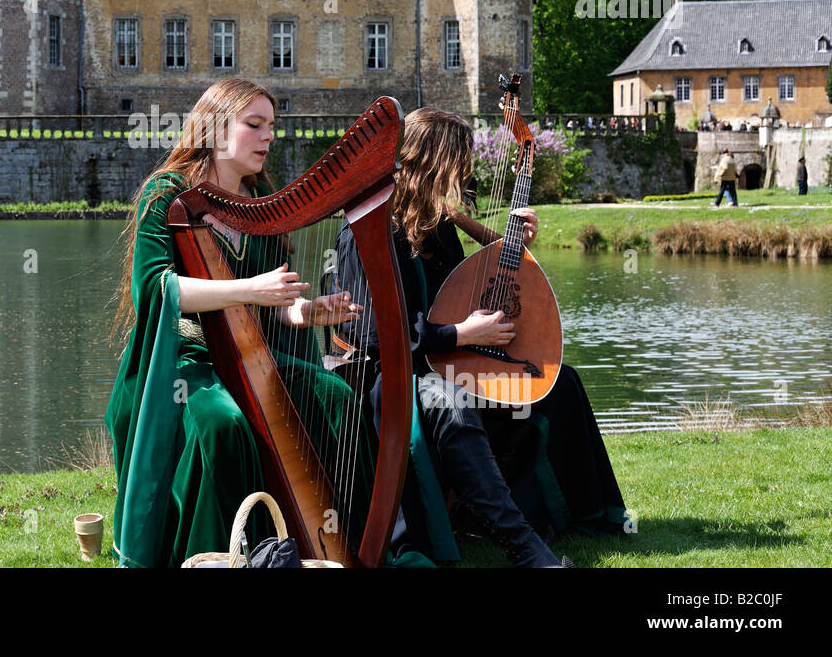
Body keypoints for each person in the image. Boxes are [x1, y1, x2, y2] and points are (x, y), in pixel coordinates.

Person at [333, 107, 627, 567]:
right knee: (449, 400)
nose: (467, 174)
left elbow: (462, 292)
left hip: (450, 362)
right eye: (460, 162)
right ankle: (526, 550)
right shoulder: (366, 234)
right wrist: (459, 333)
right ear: (432, 163)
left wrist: (514, 249)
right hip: (389, 379)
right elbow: (365, 330)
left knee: (558, 381)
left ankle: (587, 514)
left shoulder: (440, 228)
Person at [105, 78, 363, 567]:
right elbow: (158, 291)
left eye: (272, 126)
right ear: (217, 127)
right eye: (255, 125)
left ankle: (336, 543)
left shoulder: (257, 206)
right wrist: (249, 290)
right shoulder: (166, 197)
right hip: (181, 360)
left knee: (337, 398)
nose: (269, 137)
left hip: (245, 355)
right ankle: (212, 557)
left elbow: (274, 304)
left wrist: (308, 312)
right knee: (221, 424)